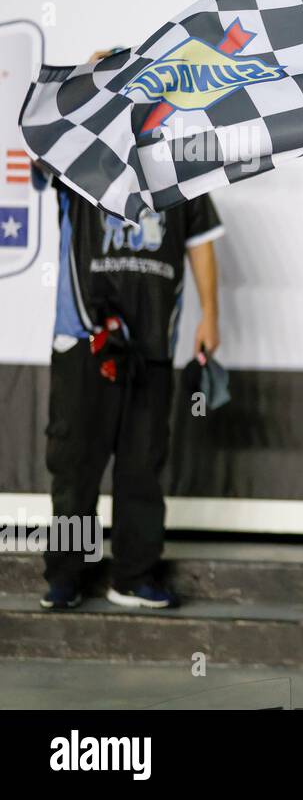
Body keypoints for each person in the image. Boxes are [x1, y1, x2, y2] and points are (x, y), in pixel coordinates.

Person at [38, 48, 223, 610]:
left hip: (152, 346)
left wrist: (211, 313)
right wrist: (88, 85)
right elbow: (43, 139)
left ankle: (133, 575)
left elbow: (200, 241)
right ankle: (67, 575)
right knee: (75, 465)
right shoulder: (77, 155)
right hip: (85, 340)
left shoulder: (177, 164)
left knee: (143, 465)